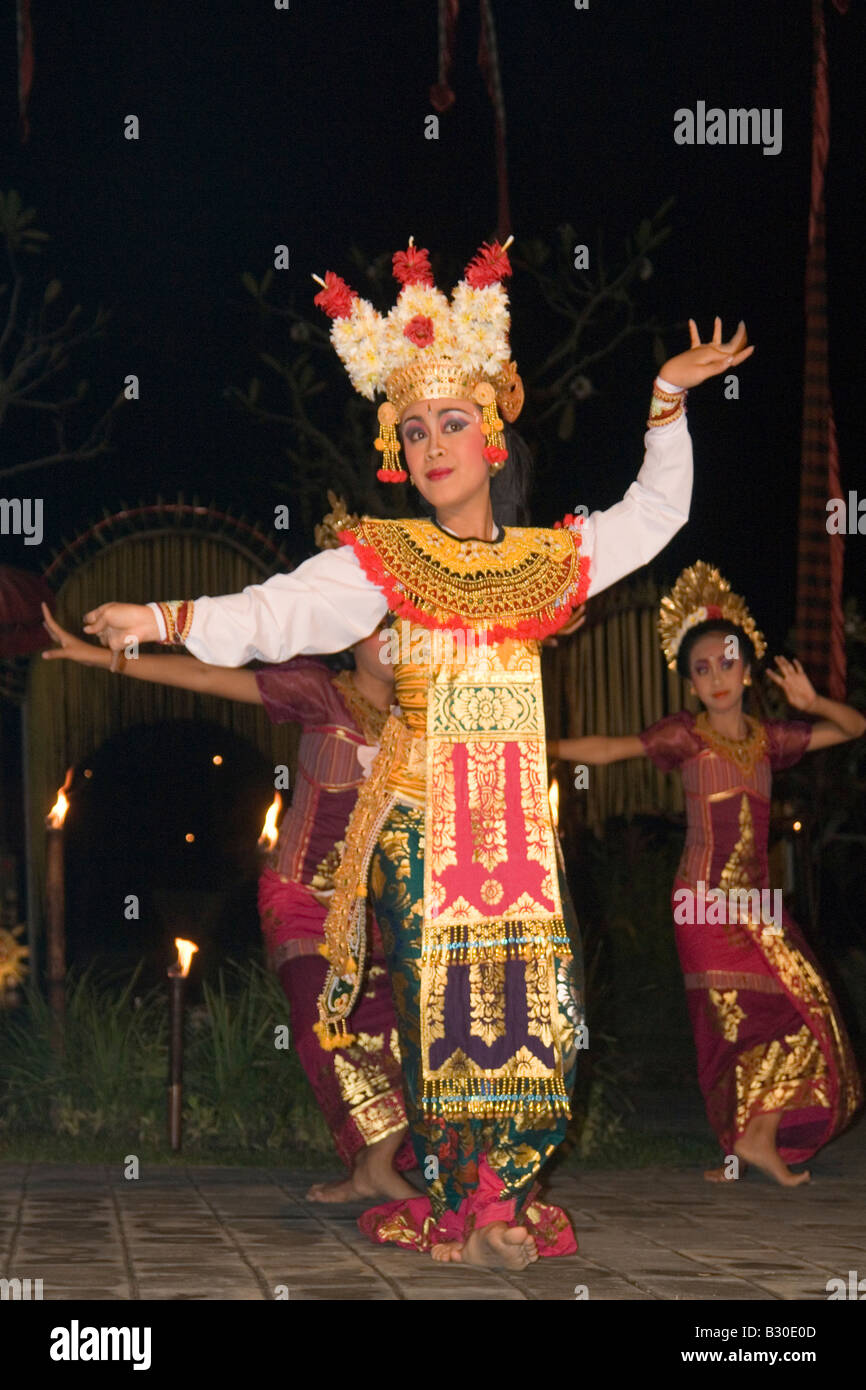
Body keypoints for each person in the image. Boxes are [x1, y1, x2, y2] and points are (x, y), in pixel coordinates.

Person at [80, 236, 752, 1268]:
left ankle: (501, 1196)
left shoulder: (545, 563)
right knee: (444, 1015)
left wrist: (664, 396)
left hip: (517, 836)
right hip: (418, 829)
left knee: (534, 1011)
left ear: (491, 433)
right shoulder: (382, 559)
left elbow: (654, 514)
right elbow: (278, 612)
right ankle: (464, 1202)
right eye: (413, 430)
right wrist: (162, 615)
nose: (433, 444)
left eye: (451, 422)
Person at [41, 555, 417, 1205]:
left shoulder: (429, 719)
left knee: (410, 1026)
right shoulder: (319, 692)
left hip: (379, 906)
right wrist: (103, 658)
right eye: (380, 626)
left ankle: (368, 1167)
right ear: (352, 631)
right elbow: (210, 678)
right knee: (321, 1020)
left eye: (404, 627)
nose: (392, 640)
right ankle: (378, 1163)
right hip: (301, 896)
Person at [549, 562, 864, 1185]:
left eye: (726, 663)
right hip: (702, 906)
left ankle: (746, 1143)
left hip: (759, 907)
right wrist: (539, 746)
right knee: (745, 1020)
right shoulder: (685, 738)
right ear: (691, 685)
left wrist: (813, 701)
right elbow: (611, 750)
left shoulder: (773, 739)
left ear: (747, 671)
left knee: (804, 1013)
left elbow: (855, 727)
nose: (716, 677)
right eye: (702, 669)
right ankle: (752, 1143)